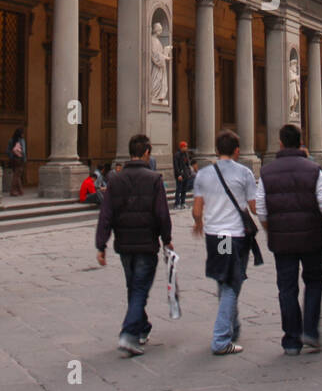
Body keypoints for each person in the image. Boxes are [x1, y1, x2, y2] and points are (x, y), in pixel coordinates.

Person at [257, 123, 322, 355]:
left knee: (287, 288)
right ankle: (310, 330)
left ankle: (291, 339)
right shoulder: (313, 170)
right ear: (301, 142)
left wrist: (273, 229)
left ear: (280, 142)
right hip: (311, 238)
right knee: (313, 282)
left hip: (282, 241)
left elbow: (261, 210)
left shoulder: (266, 172)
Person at [96, 134, 173, 355]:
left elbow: (106, 214)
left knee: (134, 287)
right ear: (147, 152)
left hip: (124, 245)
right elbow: (162, 214)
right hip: (146, 245)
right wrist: (167, 240)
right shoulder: (154, 179)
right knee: (139, 288)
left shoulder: (115, 180)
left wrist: (101, 245)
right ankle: (129, 334)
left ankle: (142, 327)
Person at [192, 130, 257, 356]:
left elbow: (197, 208)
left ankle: (233, 326)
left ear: (217, 150)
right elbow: (255, 206)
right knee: (231, 283)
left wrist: (198, 223)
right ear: (237, 150)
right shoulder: (245, 173)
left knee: (225, 278)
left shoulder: (204, 174)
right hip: (234, 236)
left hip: (216, 236)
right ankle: (221, 338)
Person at [172, 141, 196, 210]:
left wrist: (189, 173)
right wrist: (178, 175)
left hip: (186, 175)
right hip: (180, 176)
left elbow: (187, 164)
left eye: (186, 146)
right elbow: (176, 166)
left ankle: (183, 203)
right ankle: (177, 203)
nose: (186, 148)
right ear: (182, 147)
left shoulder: (186, 154)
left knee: (184, 190)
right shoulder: (177, 155)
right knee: (178, 189)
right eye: (185, 146)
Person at [6, 127, 26, 196]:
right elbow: (23, 151)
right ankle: (12, 190)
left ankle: (20, 190)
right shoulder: (22, 140)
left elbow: (7, 151)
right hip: (19, 160)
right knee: (16, 176)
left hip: (13, 160)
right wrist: (24, 159)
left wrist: (11, 157)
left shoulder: (11, 140)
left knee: (17, 174)